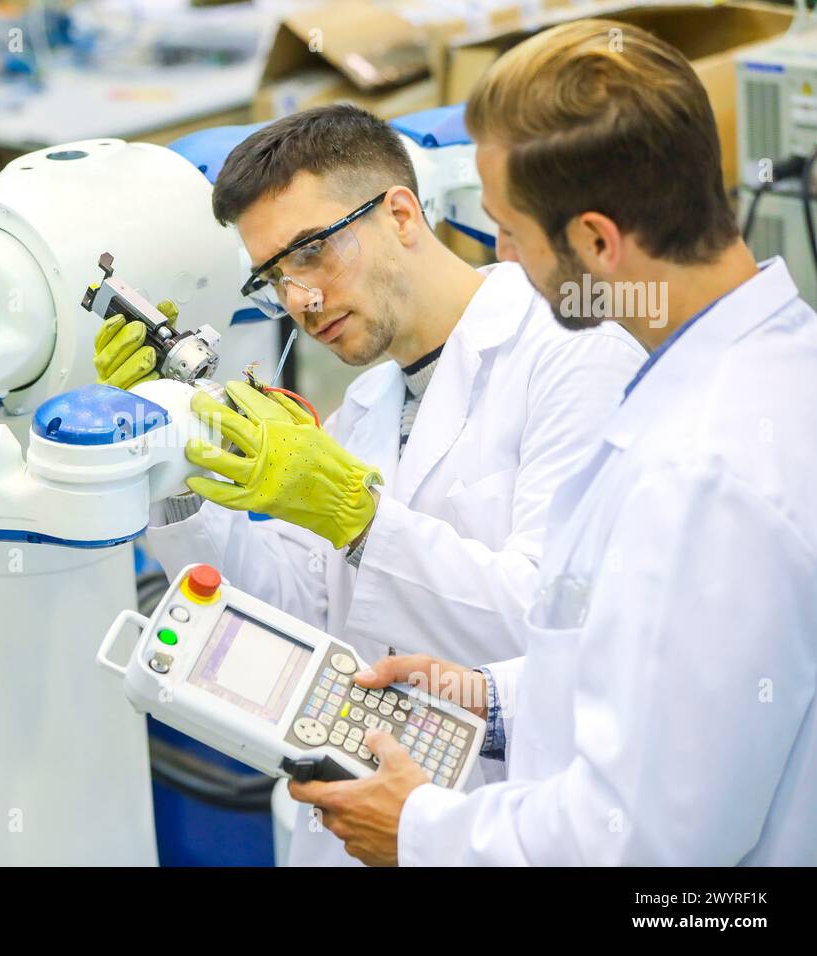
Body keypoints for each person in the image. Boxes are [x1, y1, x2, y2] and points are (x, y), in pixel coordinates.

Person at [288, 19, 817, 865]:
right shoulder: (770, 363)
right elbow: (661, 679)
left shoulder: (707, 476)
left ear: (598, 241)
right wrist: (491, 698)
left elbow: (645, 845)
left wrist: (421, 829)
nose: (499, 256)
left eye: (508, 230)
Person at [93, 104, 645, 866]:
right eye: (274, 276)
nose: (300, 300)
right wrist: (172, 465)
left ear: (401, 212)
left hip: (494, 822)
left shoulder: (573, 357)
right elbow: (291, 616)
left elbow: (546, 637)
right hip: (352, 818)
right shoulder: (367, 407)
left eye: (314, 252)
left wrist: (359, 519)